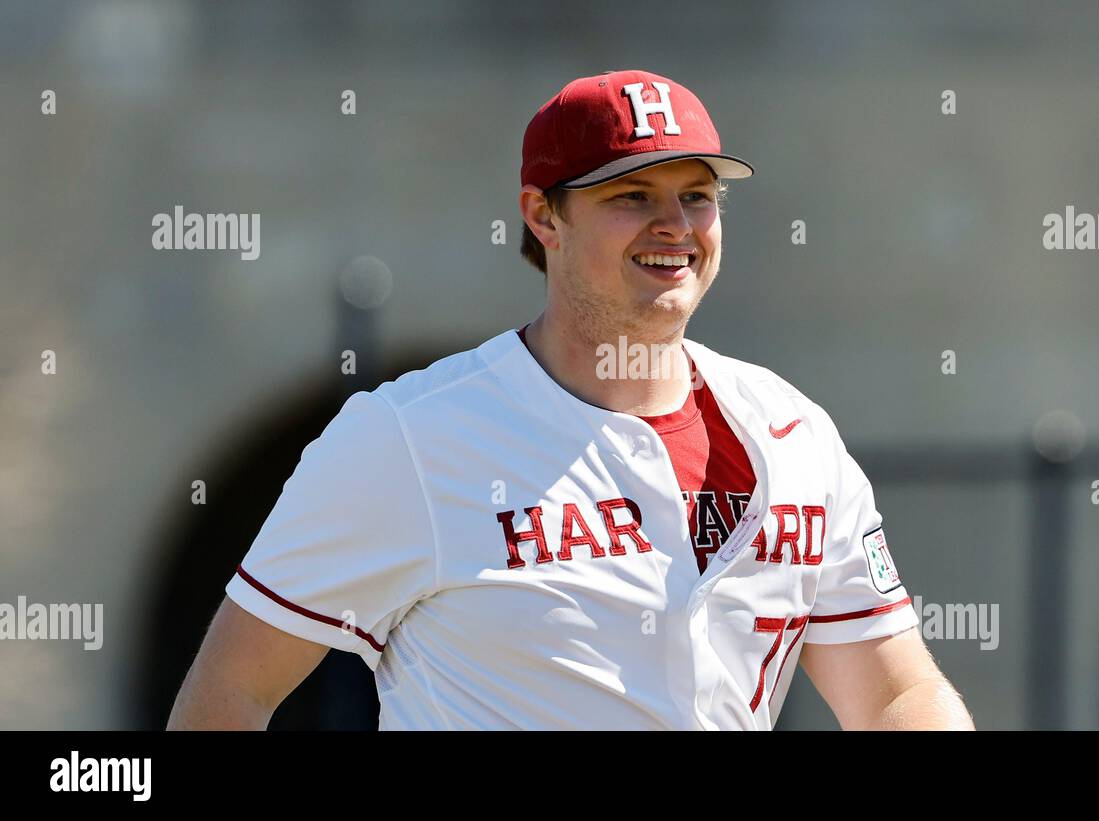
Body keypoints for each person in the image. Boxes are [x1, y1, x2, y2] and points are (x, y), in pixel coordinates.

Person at [168, 69, 974, 730]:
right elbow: (232, 692)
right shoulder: (406, 437)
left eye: (697, 195)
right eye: (631, 195)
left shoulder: (796, 435)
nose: (675, 225)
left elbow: (895, 694)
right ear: (542, 216)